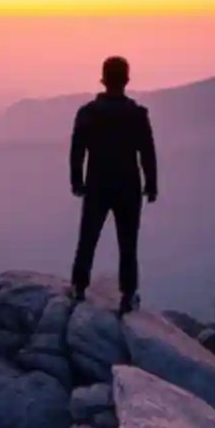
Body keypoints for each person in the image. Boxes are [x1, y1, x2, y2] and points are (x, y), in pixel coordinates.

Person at [69, 56, 157, 314]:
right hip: (129, 186)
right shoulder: (137, 114)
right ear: (126, 80)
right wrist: (151, 184)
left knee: (88, 237)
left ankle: (79, 286)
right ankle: (128, 294)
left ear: (103, 79)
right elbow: (147, 152)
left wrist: (77, 180)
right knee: (128, 243)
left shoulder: (88, 113)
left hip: (97, 184)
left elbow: (77, 150)